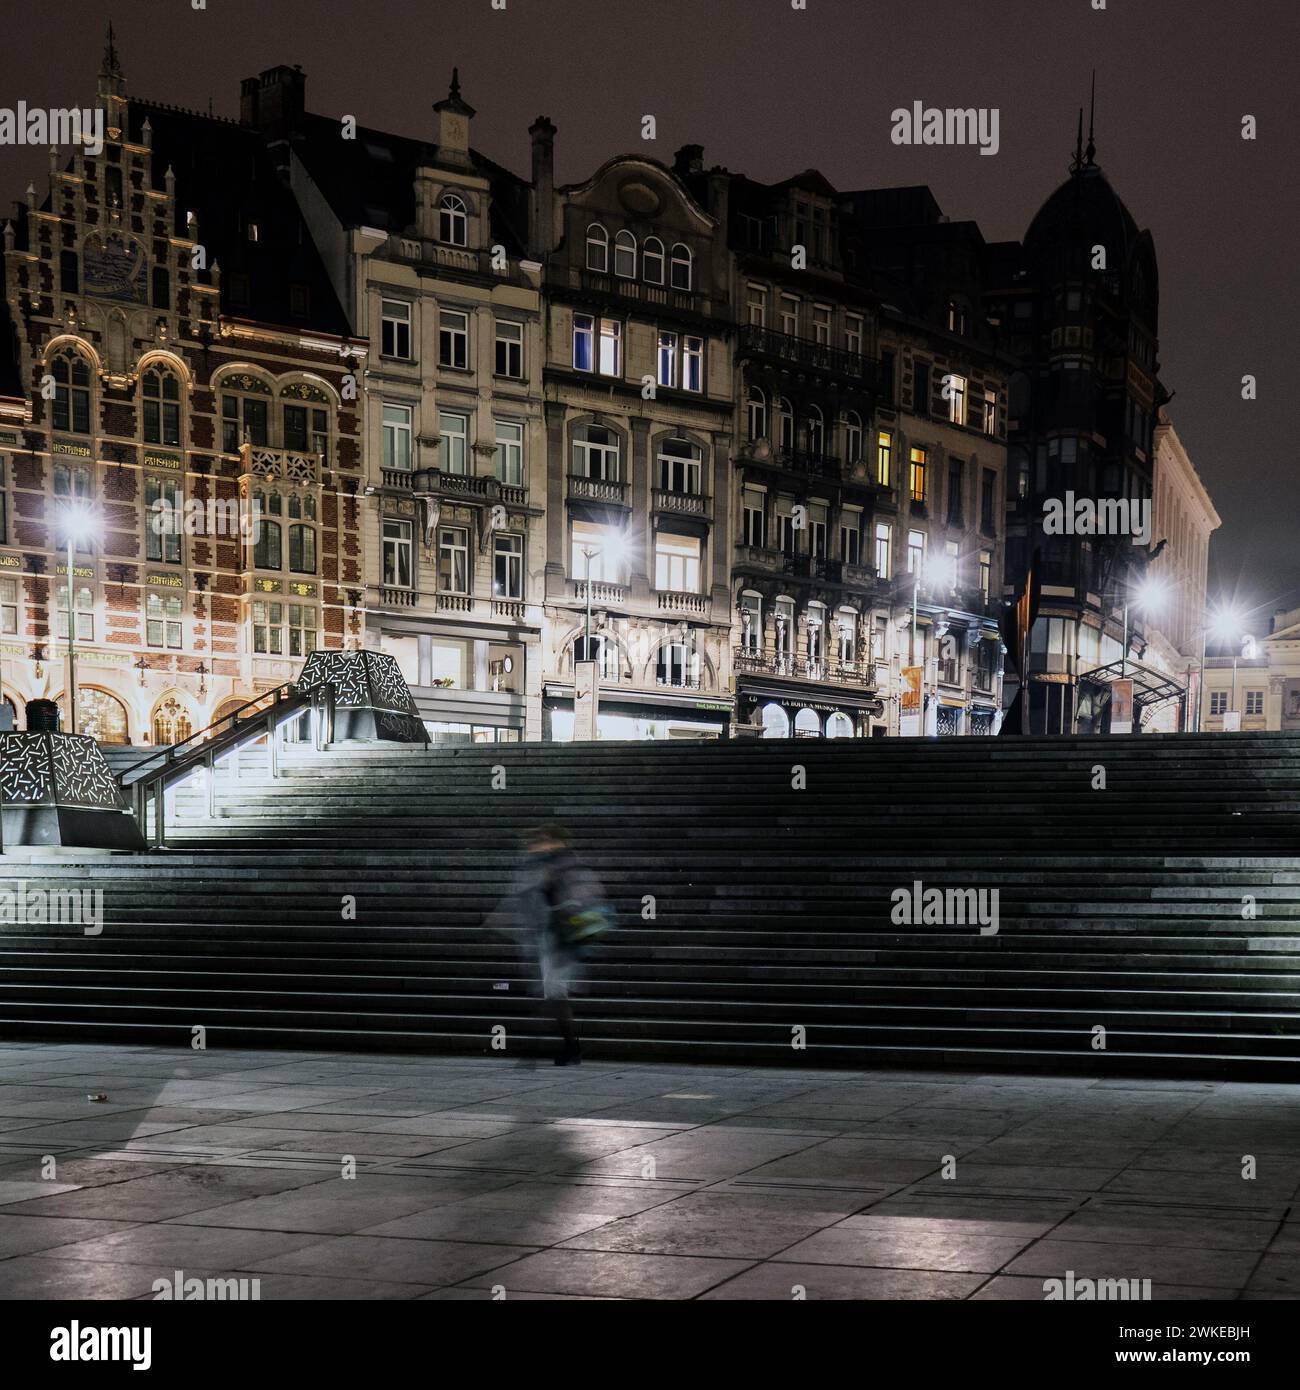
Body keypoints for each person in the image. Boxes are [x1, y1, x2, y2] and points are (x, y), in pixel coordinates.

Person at [503, 823, 609, 1065]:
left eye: (542, 840)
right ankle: (566, 1048)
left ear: (556, 841)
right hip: (552, 938)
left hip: (562, 939)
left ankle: (554, 1049)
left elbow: (571, 898)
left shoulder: (564, 865)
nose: (537, 846)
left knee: (553, 992)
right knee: (552, 993)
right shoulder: (550, 864)